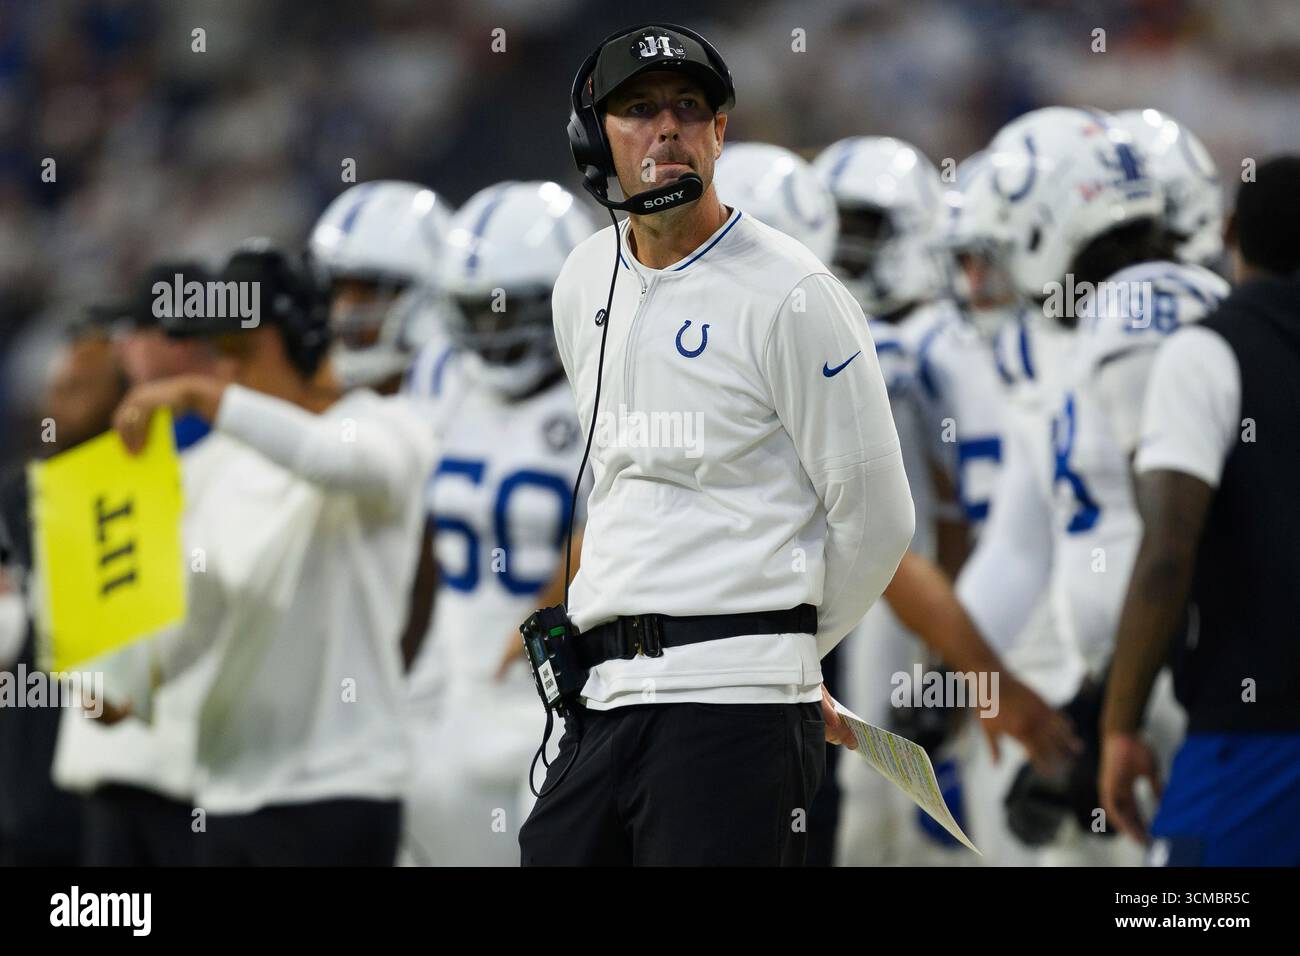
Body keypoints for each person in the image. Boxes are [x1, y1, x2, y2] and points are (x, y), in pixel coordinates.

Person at [518, 23, 914, 867]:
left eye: (689, 108)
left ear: (720, 132)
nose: (668, 128)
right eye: (638, 109)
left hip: (733, 707)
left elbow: (878, 518)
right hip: (601, 699)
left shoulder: (795, 292)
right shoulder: (582, 280)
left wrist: (785, 652)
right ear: (595, 138)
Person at [110, 241, 435, 865]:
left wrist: (201, 399)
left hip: (341, 786)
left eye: (239, 352)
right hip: (228, 791)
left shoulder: (387, 428)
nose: (222, 373)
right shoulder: (215, 468)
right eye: (215, 356)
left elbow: (329, 459)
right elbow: (201, 614)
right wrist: (130, 683)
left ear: (305, 340)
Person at [1100, 155, 1300, 866]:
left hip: (1255, 741)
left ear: (1230, 231)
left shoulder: (1208, 350)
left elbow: (1166, 554)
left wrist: (1119, 726)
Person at [402, 180, 596, 866]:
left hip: (570, 687)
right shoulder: (437, 379)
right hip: (450, 691)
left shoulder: (606, 383)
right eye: (475, 312)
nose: (492, 329)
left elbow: (633, 515)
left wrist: (550, 600)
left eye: (510, 309)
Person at [0, 320, 127, 865]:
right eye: (55, 389)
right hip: (26, 790)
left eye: (77, 389)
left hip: (117, 790)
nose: (54, 407)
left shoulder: (147, 499)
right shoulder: (21, 497)